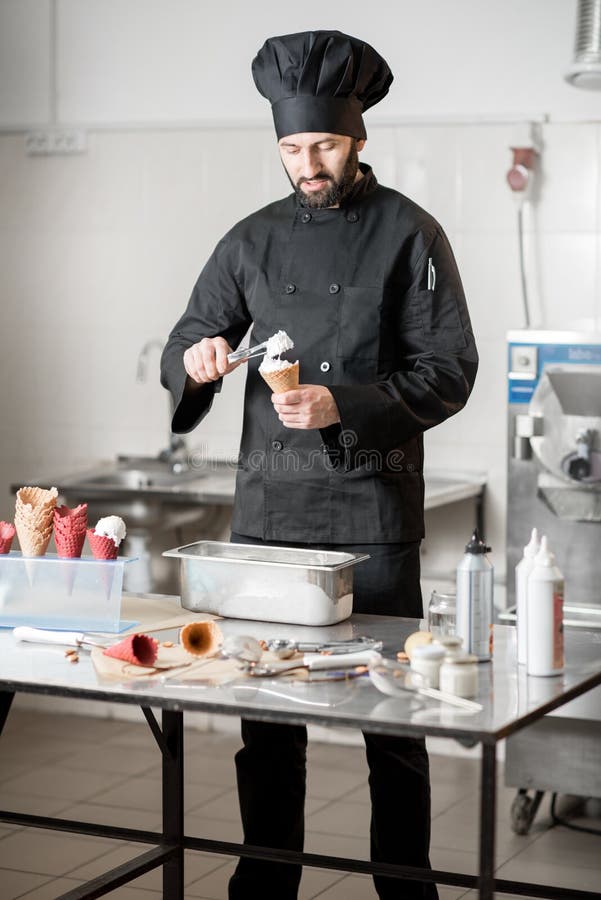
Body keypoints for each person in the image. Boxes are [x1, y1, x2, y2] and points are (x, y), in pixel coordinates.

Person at [161, 29, 478, 900]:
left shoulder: (410, 232)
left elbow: (449, 370)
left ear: (358, 138)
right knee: (266, 723)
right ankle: (264, 883)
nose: (308, 164)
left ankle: (402, 886)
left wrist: (344, 403)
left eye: (324, 145)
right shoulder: (249, 240)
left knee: (394, 721)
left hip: (372, 518)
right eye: (292, 148)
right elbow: (195, 333)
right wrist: (192, 360)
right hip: (269, 517)